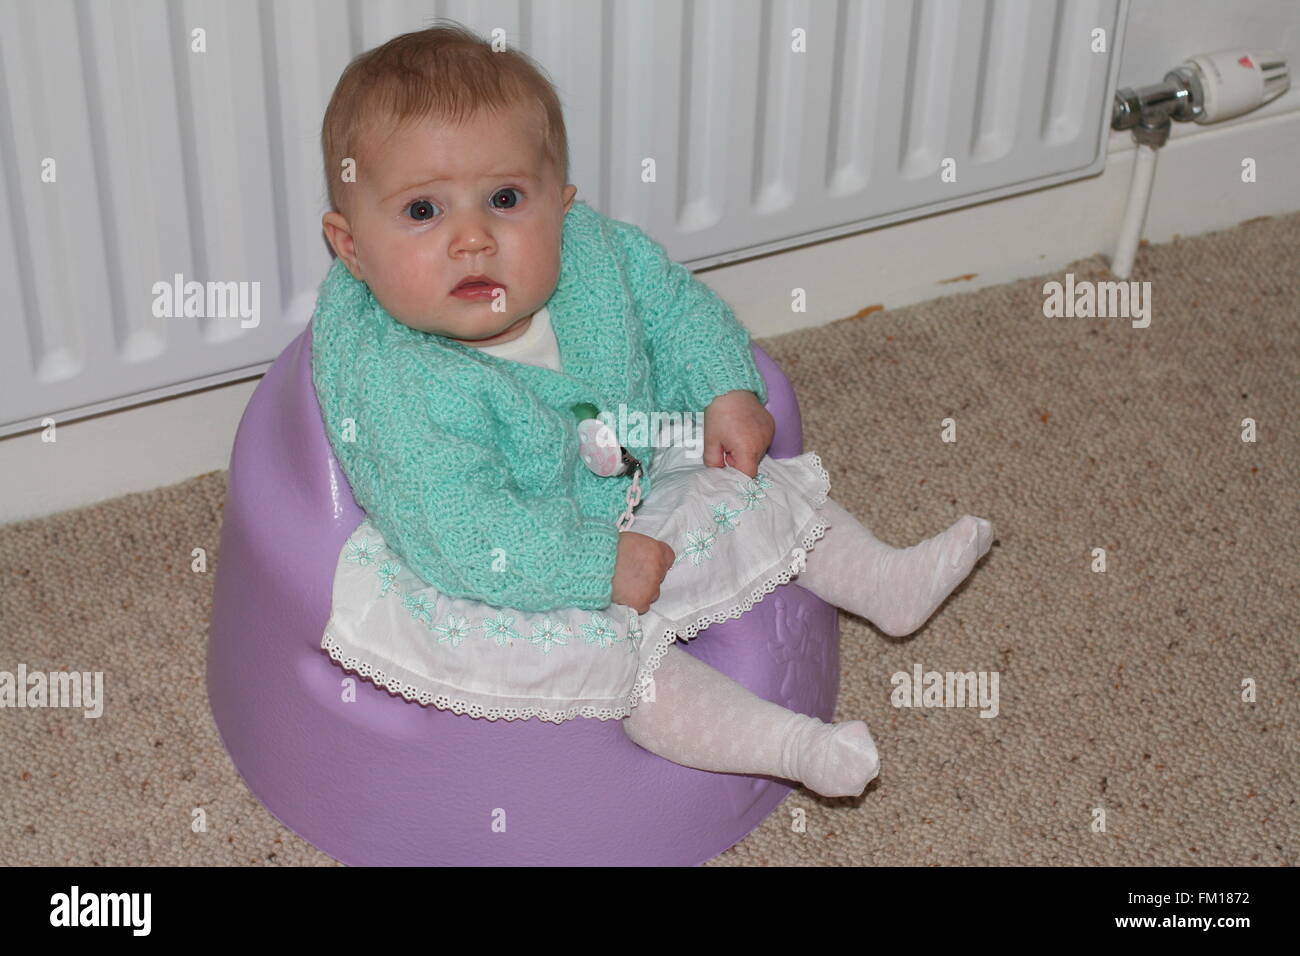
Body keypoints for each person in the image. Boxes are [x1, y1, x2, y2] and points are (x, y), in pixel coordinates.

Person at [311, 23, 994, 798]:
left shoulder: (590, 252)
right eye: (423, 211)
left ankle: (882, 581)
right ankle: (793, 747)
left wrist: (724, 389)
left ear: (560, 207)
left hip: (630, 467)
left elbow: (675, 310)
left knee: (758, 482)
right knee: (621, 662)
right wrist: (594, 567)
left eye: (505, 199)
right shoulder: (398, 377)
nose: (473, 239)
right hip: (504, 564)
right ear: (352, 247)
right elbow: (459, 527)